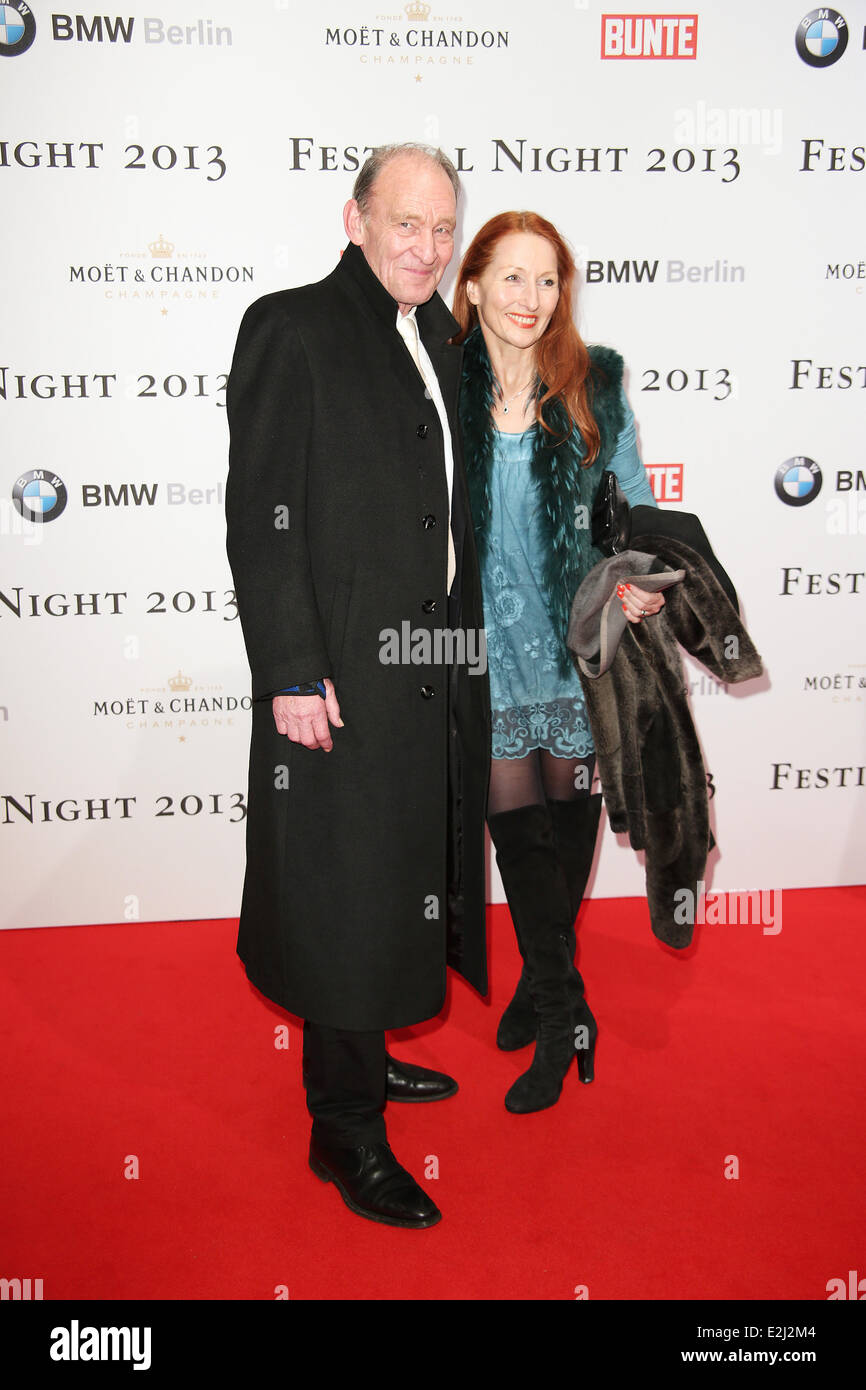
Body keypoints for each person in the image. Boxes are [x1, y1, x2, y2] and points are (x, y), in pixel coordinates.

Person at [225, 144, 490, 1228]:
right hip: (335, 674)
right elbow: (259, 516)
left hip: (427, 671)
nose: (426, 248)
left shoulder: (440, 336)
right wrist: (291, 667)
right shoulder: (290, 327)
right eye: (405, 224)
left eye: (442, 229)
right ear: (354, 218)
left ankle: (369, 1054)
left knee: (395, 874)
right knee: (341, 890)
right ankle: (343, 1129)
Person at [452, 211, 661, 1113]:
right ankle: (565, 1006)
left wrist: (640, 581)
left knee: (569, 826)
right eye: (511, 277)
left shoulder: (593, 383)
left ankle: (544, 987)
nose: (531, 298)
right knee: (517, 832)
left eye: (547, 280)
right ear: (472, 286)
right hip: (484, 648)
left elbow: (638, 507)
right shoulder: (434, 385)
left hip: (577, 647)